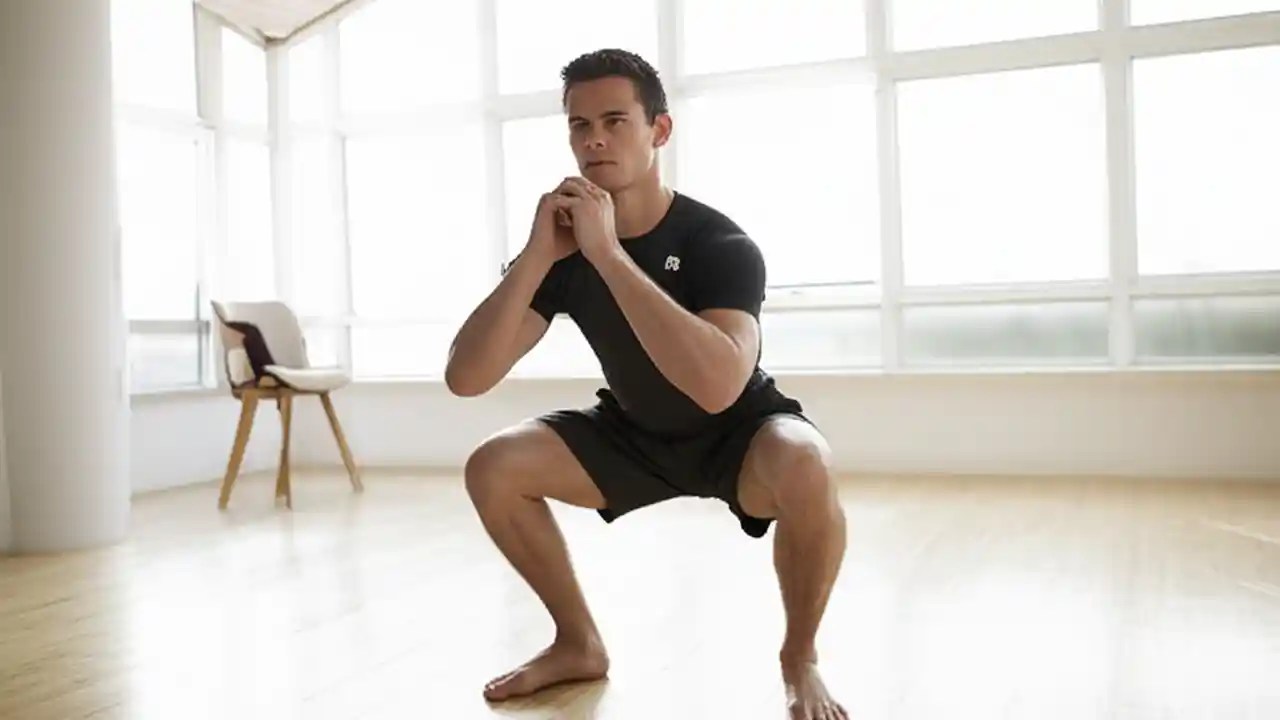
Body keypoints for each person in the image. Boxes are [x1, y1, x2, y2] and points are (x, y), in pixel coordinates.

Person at [445, 48, 848, 720]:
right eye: (579, 125)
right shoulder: (562, 250)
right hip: (633, 434)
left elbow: (720, 386)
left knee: (808, 461)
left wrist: (608, 255)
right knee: (493, 466)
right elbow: (467, 377)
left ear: (659, 130)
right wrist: (538, 256)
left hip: (739, 436)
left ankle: (799, 658)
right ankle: (577, 643)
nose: (594, 140)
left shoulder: (720, 243)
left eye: (614, 121)